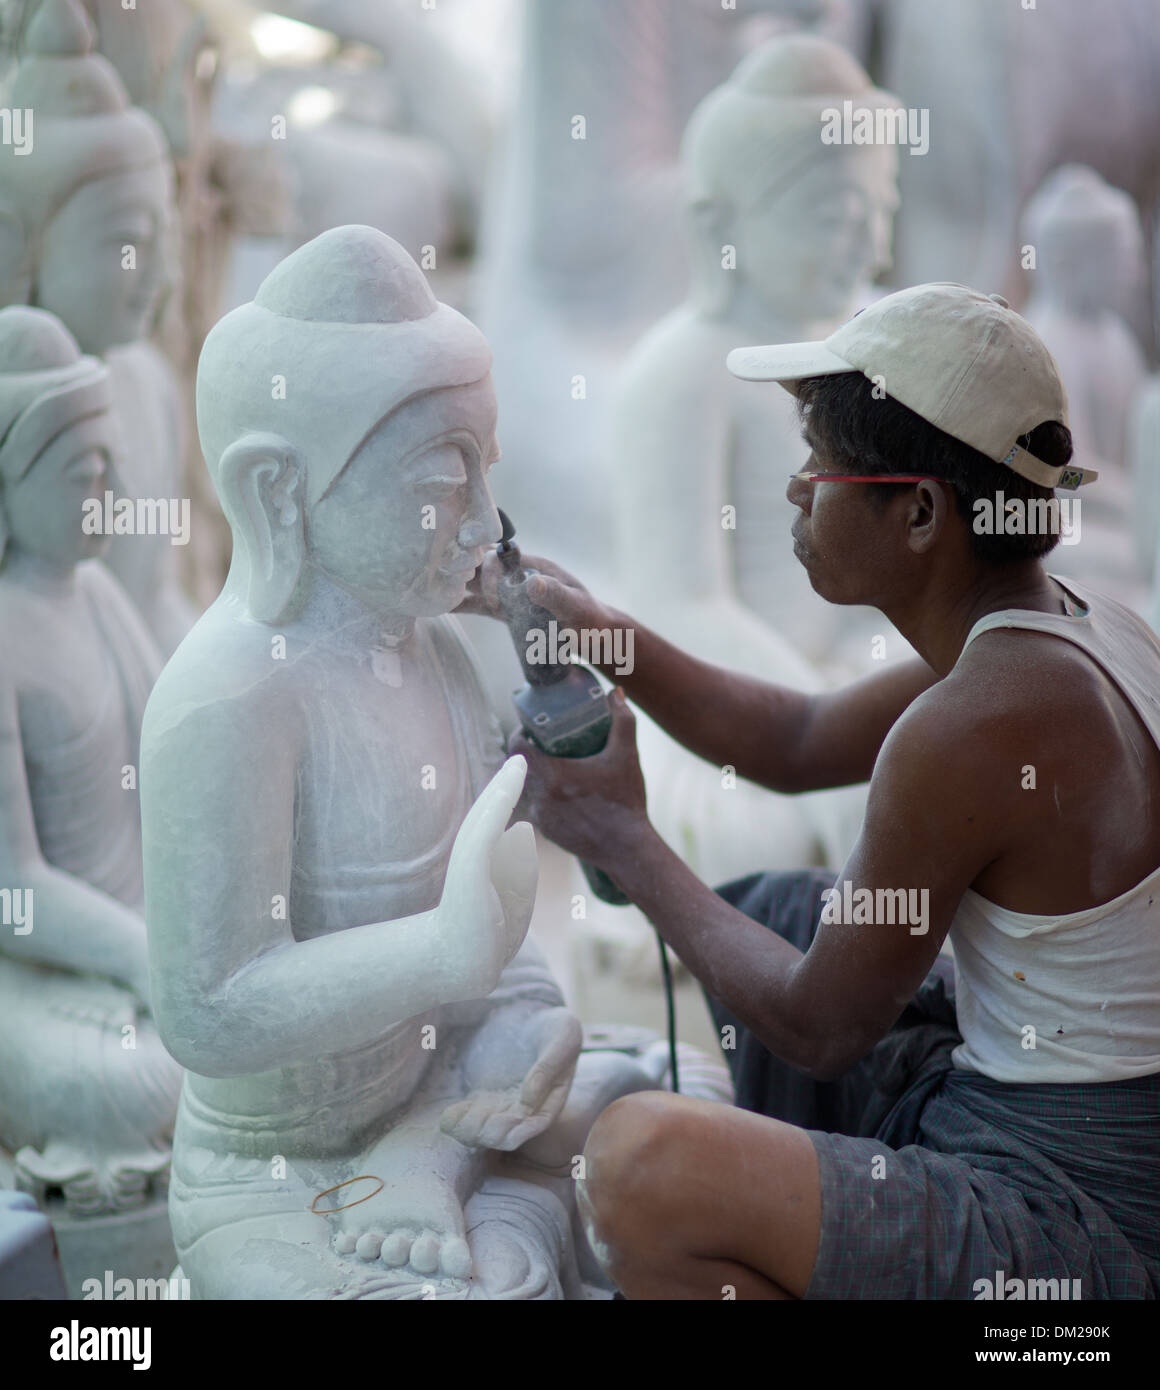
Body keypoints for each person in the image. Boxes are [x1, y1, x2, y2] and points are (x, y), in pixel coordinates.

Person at [460, 282, 1160, 1300]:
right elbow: (790, 738)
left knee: (638, 1163)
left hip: (1080, 1212)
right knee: (779, 906)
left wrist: (624, 838)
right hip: (1065, 1114)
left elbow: (820, 1026)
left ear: (918, 512)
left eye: (821, 464)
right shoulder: (1070, 631)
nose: (795, 489)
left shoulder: (975, 723)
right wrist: (598, 626)